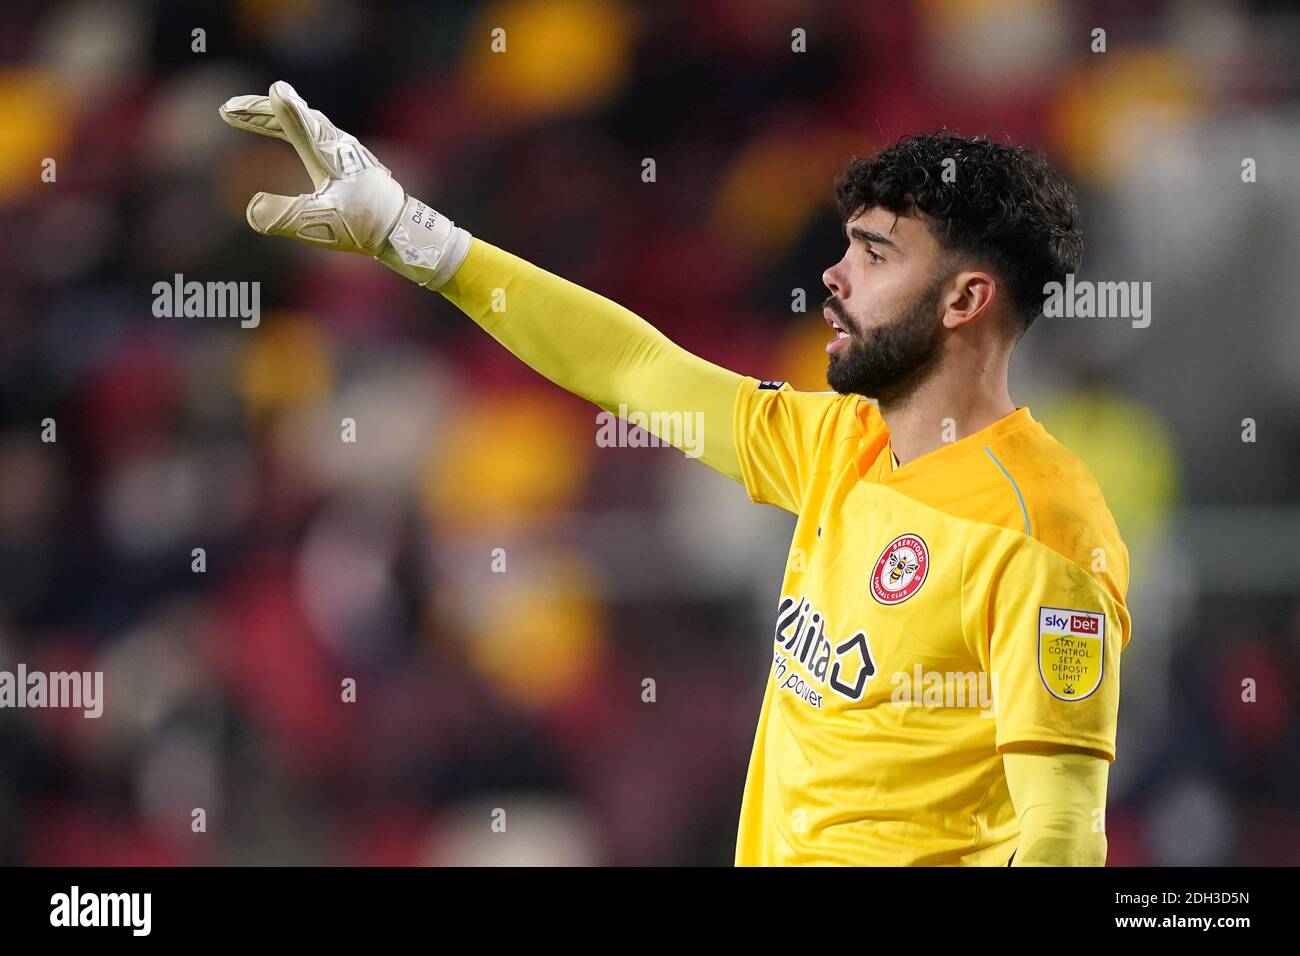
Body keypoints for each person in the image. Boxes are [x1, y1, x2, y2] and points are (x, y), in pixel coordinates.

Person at [221, 81, 1130, 866]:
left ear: (966, 300)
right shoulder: (838, 442)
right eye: (847, 244)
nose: (834, 274)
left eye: (875, 255)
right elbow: (634, 370)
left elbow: (1061, 825)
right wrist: (422, 241)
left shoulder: (1040, 529)